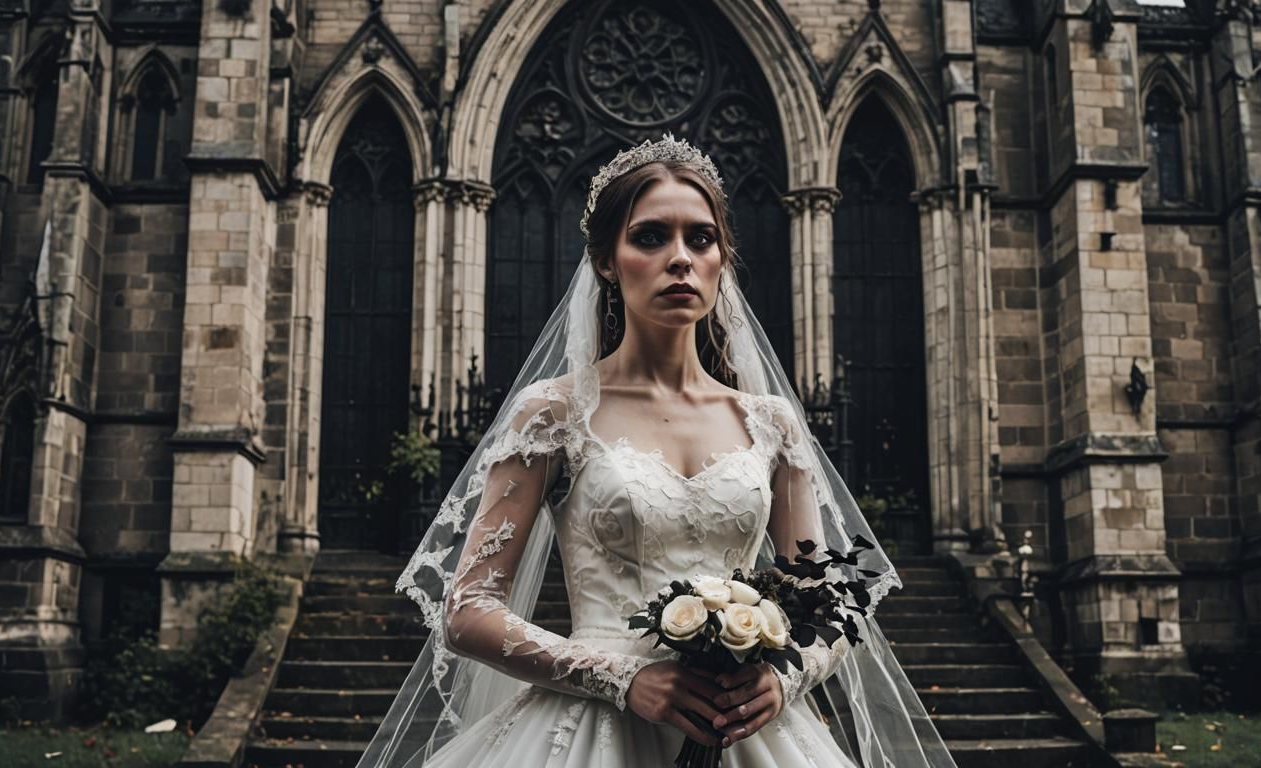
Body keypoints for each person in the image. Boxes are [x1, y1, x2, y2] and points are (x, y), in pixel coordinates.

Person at [356, 135, 956, 767]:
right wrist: (621, 676)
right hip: (591, 730)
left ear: (722, 258)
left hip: (749, 736)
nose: (680, 259)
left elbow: (832, 598)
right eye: (650, 237)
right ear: (608, 261)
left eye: (700, 239)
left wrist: (783, 676)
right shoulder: (554, 412)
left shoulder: (772, 423)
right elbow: (468, 607)